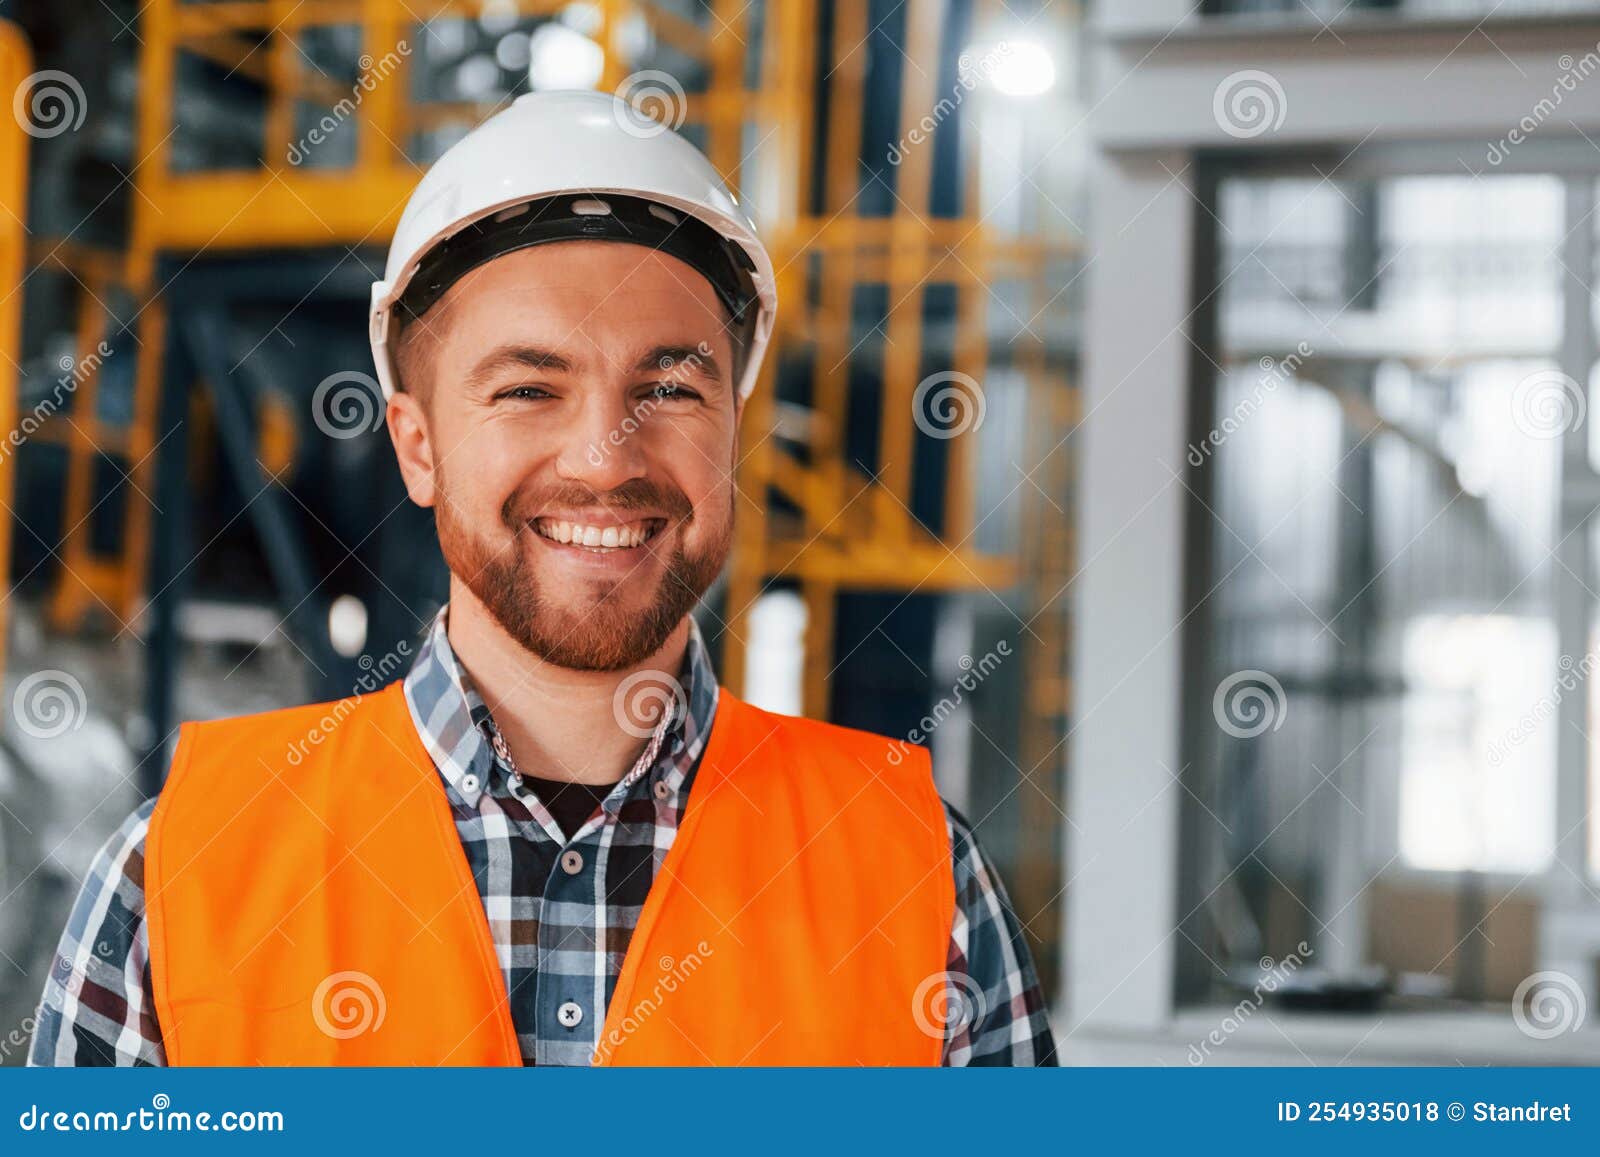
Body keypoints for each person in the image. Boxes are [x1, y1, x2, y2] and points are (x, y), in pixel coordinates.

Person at [31, 90, 1055, 1067]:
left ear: (732, 435)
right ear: (418, 447)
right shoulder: (183, 869)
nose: (605, 459)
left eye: (668, 386)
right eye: (528, 388)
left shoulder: (919, 878)